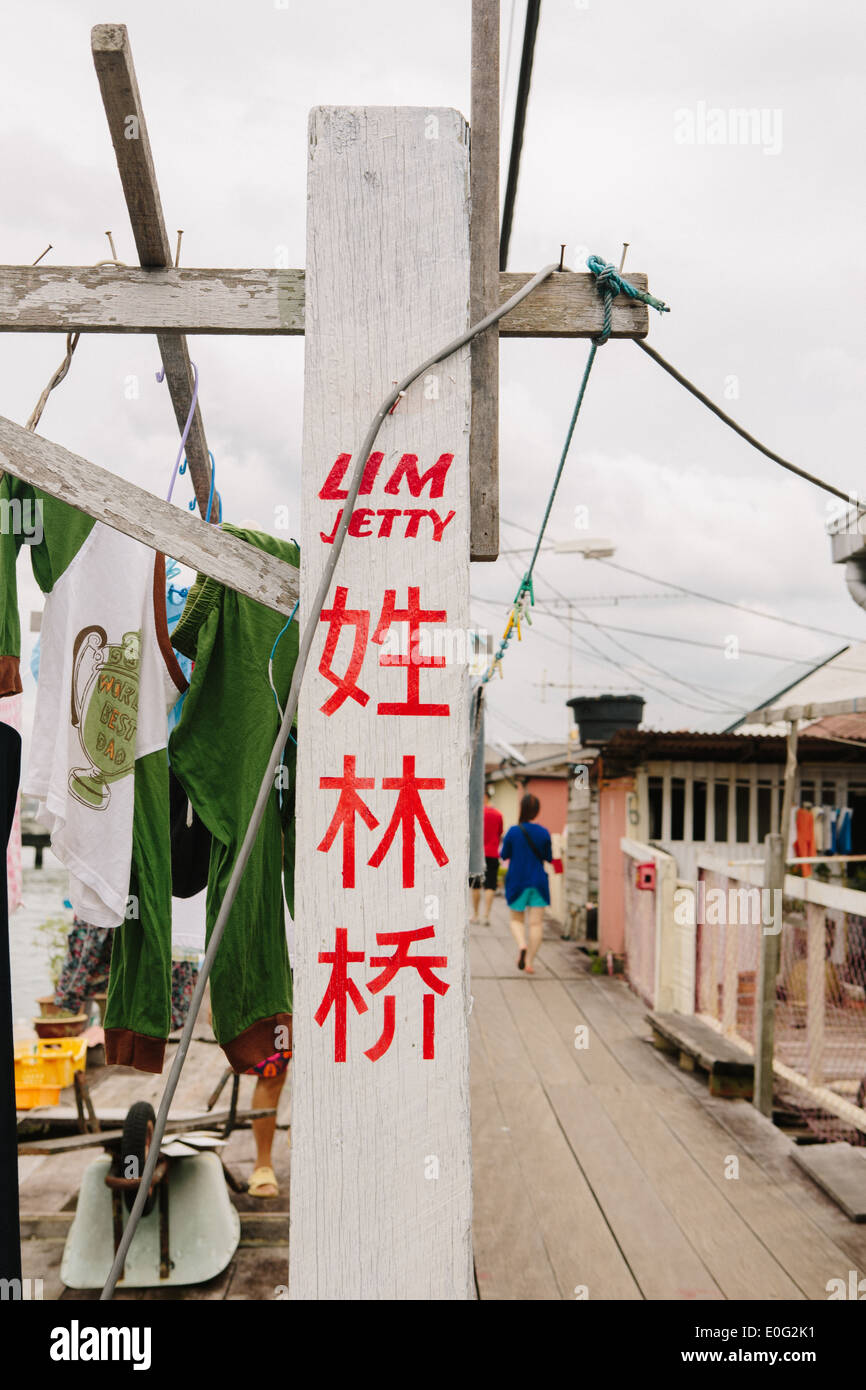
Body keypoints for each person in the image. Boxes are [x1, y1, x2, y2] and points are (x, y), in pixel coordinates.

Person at [500, 793, 552, 975]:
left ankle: (521, 944)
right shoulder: (544, 832)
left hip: (517, 881)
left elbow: (504, 854)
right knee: (536, 925)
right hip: (538, 882)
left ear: (522, 808)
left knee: (516, 919)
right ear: (537, 810)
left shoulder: (513, 831)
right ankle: (529, 962)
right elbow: (548, 857)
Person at [471, 786, 503, 926]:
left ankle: (476, 915)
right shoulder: (498, 814)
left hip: (477, 854)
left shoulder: (475, 813)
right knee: (490, 885)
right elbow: (499, 833)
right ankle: (486, 916)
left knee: (476, 885)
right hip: (492, 853)